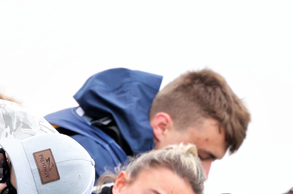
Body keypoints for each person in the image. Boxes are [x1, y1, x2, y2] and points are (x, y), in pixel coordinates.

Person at [47, 68, 251, 177]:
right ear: (162, 126)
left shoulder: (96, 134)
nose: (204, 174)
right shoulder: (87, 163)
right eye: (201, 156)